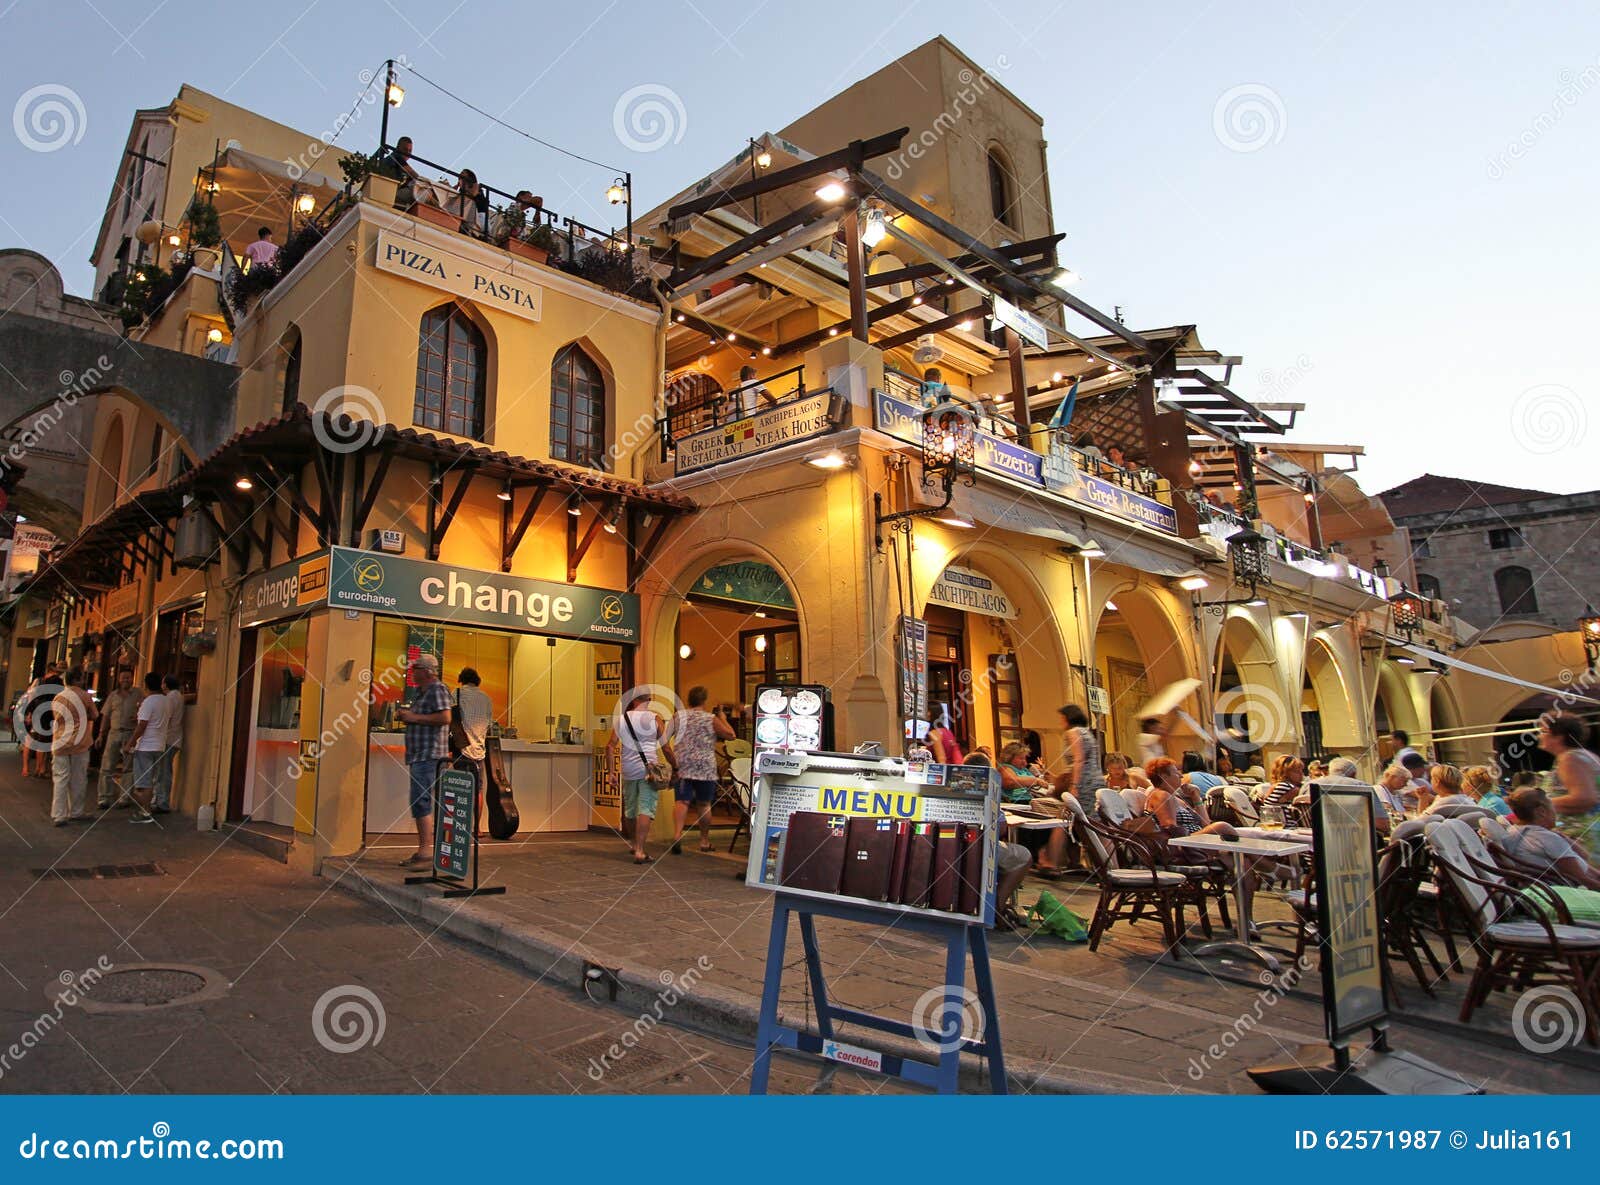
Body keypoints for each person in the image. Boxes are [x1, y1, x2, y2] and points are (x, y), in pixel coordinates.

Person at [962, 751, 1031, 928]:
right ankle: (997, 905)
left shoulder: (954, 785)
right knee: (1023, 856)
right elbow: (1000, 828)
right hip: (982, 847)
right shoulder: (989, 787)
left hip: (955, 846)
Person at [395, 653, 452, 869]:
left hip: (430, 755)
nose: (412, 671)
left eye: (416, 668)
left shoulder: (437, 689)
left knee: (421, 800)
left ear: (427, 671)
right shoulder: (422, 693)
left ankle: (426, 851)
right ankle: (425, 849)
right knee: (420, 800)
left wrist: (413, 717)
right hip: (421, 755)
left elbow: (445, 718)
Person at [666, 686, 734, 854]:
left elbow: (664, 737)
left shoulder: (678, 716)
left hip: (683, 765)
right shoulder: (710, 719)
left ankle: (677, 834)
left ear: (689, 699)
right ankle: (704, 841)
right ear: (704, 701)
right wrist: (723, 718)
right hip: (705, 766)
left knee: (682, 802)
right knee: (704, 804)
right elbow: (730, 735)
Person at [1500, 788, 1600, 892]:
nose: (1555, 812)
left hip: (1542, 892)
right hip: (1566, 895)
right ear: (1541, 812)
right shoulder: (1548, 839)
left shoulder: (1517, 831)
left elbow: (1584, 859)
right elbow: (1583, 879)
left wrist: (1561, 836)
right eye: (1552, 806)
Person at [1537, 713, 1600, 862]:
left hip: (1584, 838)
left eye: (1543, 731)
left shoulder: (1570, 758)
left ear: (1559, 736)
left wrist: (1538, 805)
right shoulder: (1582, 756)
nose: (1539, 736)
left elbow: (1585, 799)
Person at [619, 692, 671, 864]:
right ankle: (640, 851)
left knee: (630, 809)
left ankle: (634, 844)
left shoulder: (622, 719)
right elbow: (666, 748)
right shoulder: (655, 719)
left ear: (634, 701)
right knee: (645, 809)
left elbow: (609, 746)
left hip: (628, 770)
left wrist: (612, 772)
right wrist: (676, 766)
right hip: (649, 771)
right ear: (648, 701)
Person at [49, 669, 97, 826]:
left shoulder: (58, 697)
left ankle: (59, 815)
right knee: (78, 778)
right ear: (77, 679)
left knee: (60, 778)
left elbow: (56, 716)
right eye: (82, 678)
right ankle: (76, 811)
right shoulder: (84, 696)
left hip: (60, 741)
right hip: (80, 742)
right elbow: (95, 715)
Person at [124, 672, 169, 823]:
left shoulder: (149, 702)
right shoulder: (166, 701)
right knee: (153, 779)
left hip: (146, 746)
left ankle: (145, 811)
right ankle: (147, 809)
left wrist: (130, 743)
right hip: (160, 745)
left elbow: (141, 725)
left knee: (143, 782)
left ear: (146, 685)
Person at [454, 667, 494, 833]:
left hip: (462, 749)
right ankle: (476, 828)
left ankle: (460, 826)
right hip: (480, 751)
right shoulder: (486, 698)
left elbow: (451, 720)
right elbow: (489, 723)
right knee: (478, 790)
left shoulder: (457, 694)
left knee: (461, 789)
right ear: (477, 680)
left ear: (461, 679)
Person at [96, 668, 138, 809]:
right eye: (123, 678)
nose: (126, 680)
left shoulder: (138, 694)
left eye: (128, 677)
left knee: (128, 767)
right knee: (107, 766)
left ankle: (124, 798)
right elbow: (106, 715)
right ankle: (104, 798)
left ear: (132, 679)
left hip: (131, 733)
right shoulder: (113, 696)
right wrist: (101, 733)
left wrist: (138, 717)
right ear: (119, 680)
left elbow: (145, 711)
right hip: (114, 733)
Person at [1055, 704, 1103, 808]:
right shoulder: (1087, 732)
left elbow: (1079, 759)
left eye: (1062, 718)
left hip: (1083, 781)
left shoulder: (1072, 732)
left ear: (1068, 718)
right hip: (1095, 778)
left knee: (1081, 815)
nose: (1060, 722)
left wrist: (1074, 785)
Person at [154, 674, 184, 814]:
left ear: (165, 684)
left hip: (168, 738)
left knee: (163, 771)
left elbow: (167, 716)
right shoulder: (178, 696)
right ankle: (160, 800)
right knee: (164, 769)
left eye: (163, 683)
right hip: (174, 738)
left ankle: (162, 801)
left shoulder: (171, 698)